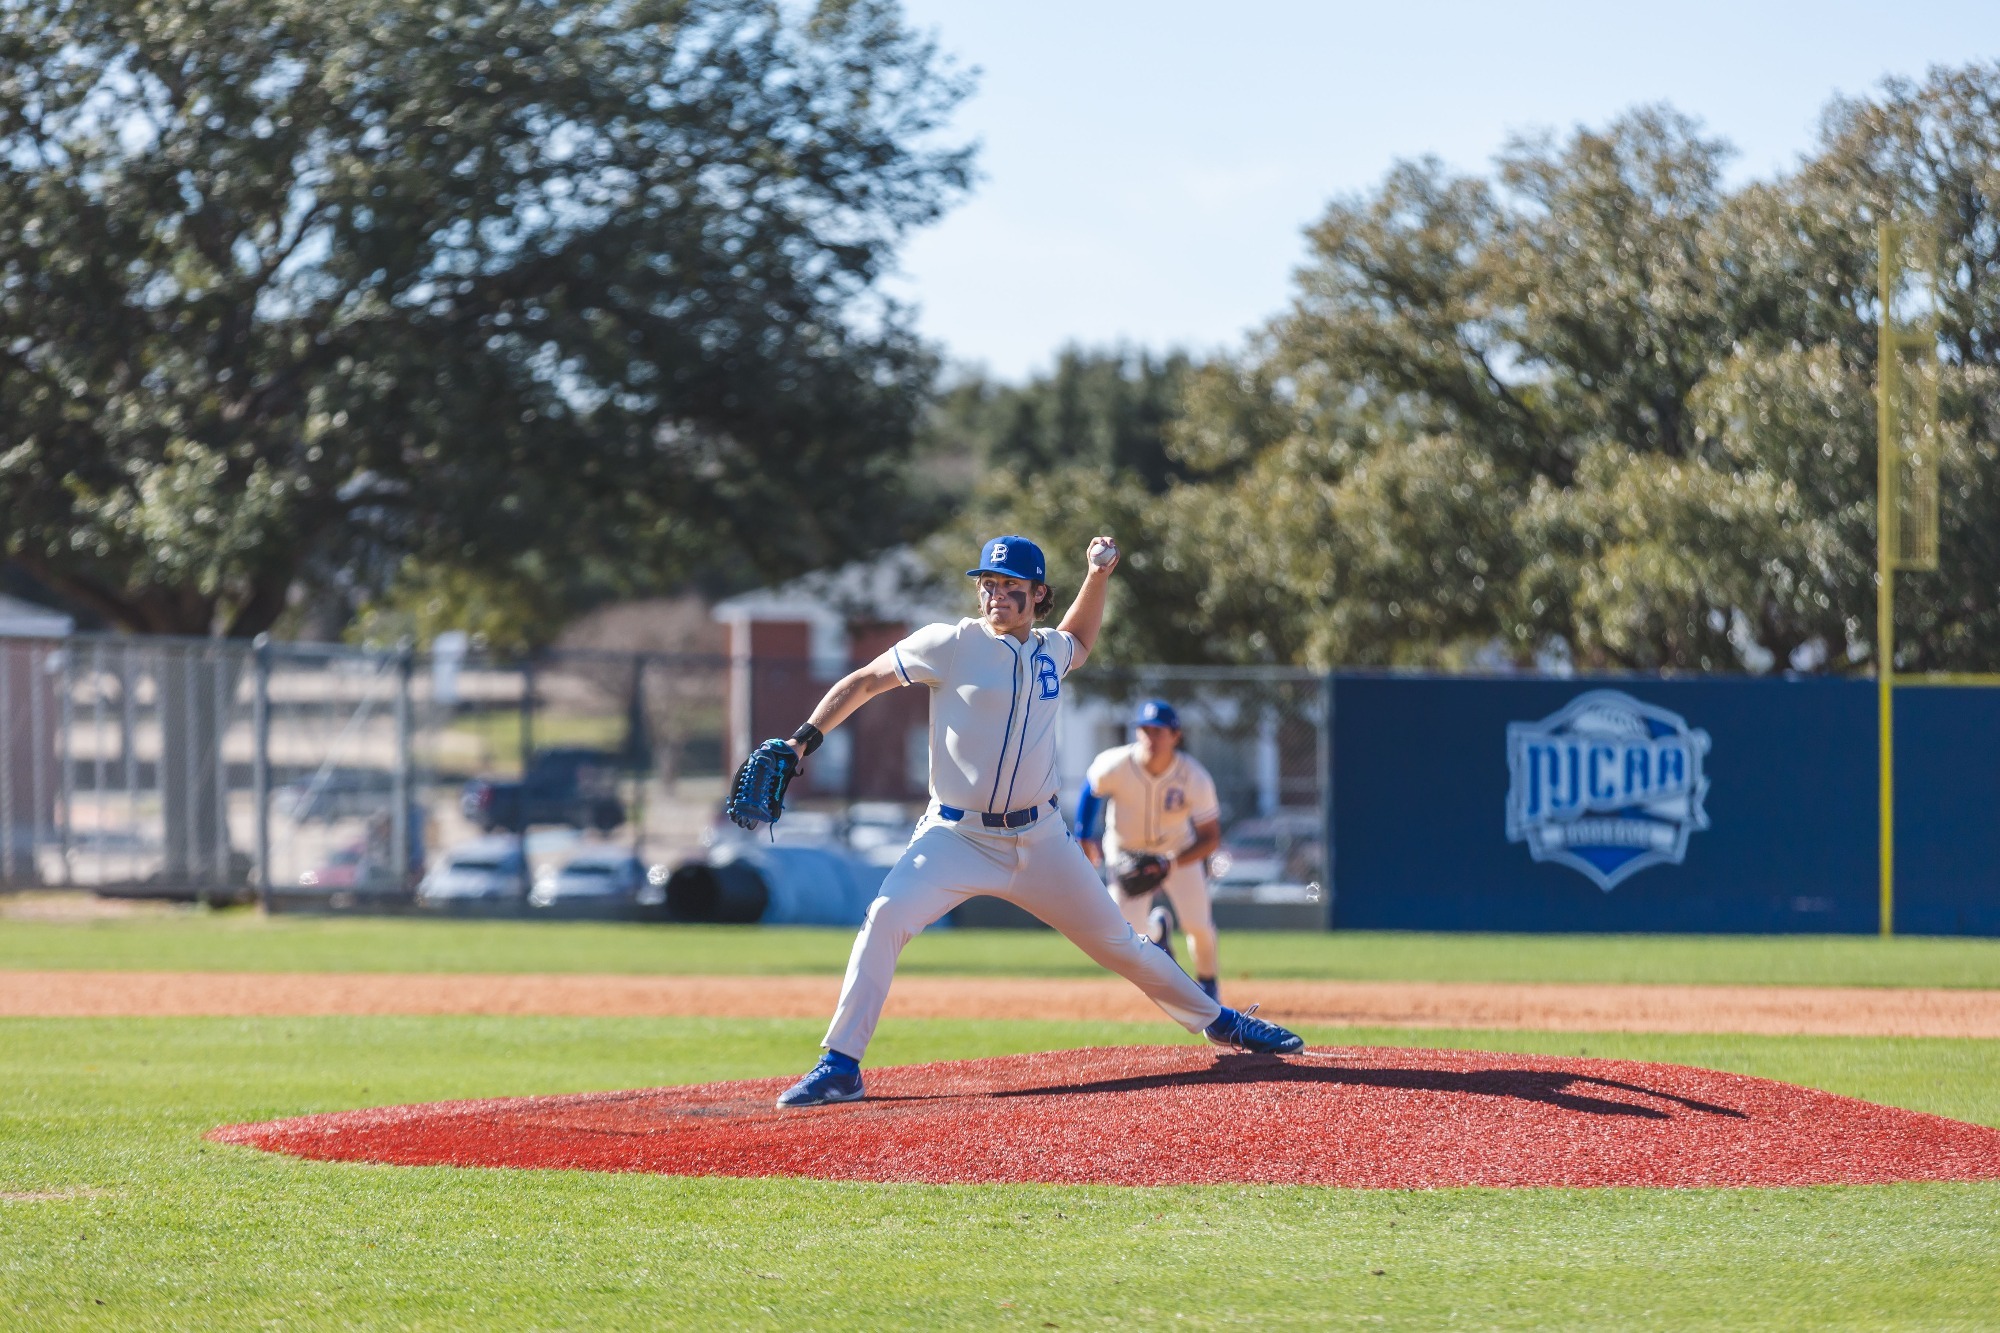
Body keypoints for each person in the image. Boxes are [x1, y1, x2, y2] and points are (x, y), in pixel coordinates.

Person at [765, 533, 1304, 1108]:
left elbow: (1080, 639)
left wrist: (1098, 576)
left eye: (1009, 587)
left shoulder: (1051, 650)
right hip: (957, 835)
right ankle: (841, 1065)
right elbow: (866, 680)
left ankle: (1220, 1021)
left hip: (1041, 838)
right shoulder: (949, 643)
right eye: (988, 585)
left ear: (1038, 594)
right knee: (885, 919)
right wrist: (802, 743)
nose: (995, 596)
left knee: (1121, 943)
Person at [1075, 700, 1225, 1002]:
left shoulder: (1193, 777)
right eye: (1144, 729)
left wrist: (1173, 861)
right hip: (1127, 852)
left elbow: (1210, 837)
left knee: (1199, 926)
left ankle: (1208, 986)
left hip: (1177, 853)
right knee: (1124, 934)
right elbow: (1091, 789)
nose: (1150, 737)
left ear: (1175, 736)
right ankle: (1158, 932)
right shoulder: (1116, 763)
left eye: (1158, 731)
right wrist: (1083, 835)